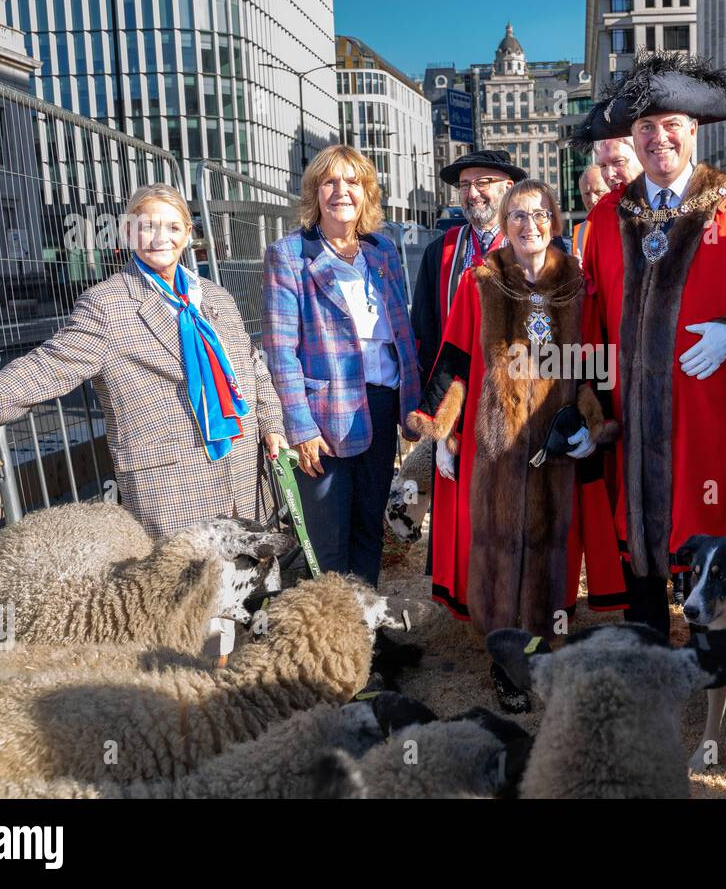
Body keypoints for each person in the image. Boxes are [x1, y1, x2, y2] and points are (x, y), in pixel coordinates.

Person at [0, 186, 287, 536]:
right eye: (148, 226)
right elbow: (53, 364)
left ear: (187, 235)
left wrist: (272, 424)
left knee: (251, 585)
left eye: (173, 227)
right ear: (128, 232)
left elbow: (252, 365)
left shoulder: (214, 296)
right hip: (173, 486)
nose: (160, 238)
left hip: (244, 473)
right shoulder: (108, 304)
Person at [573, 50, 726, 635]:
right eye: (645, 128)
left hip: (709, 415)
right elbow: (590, 319)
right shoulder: (609, 217)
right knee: (638, 531)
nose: (658, 138)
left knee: (711, 525)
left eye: (670, 126)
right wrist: (588, 403)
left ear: (693, 130)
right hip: (632, 420)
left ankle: (724, 646)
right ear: (630, 138)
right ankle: (647, 640)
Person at [407, 179, 619, 711]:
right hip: (495, 441)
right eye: (519, 216)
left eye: (541, 213)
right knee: (501, 542)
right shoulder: (482, 281)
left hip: (554, 438)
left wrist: (591, 425)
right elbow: (455, 360)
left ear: (556, 219)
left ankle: (545, 646)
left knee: (552, 545)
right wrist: (444, 434)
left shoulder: (576, 282)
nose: (531, 225)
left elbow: (594, 361)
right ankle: (505, 659)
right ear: (505, 225)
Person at [263, 145, 421, 587]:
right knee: (329, 540)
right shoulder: (290, 254)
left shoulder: (383, 252)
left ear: (366, 193)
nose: (341, 191)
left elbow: (401, 335)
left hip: (381, 403)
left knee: (370, 529)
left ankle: (364, 631)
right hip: (324, 416)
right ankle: (332, 641)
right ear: (315, 193)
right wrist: (301, 426)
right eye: (329, 182)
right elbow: (280, 349)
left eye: (352, 182)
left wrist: (411, 403)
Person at [410, 151, 527, 388]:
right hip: (458, 386)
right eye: (464, 185)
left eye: (482, 183)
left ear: (507, 187)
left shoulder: (535, 245)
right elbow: (425, 329)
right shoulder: (440, 252)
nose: (472, 194)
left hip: (520, 383)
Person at [571, 165, 610, 264]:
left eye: (599, 192)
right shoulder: (580, 233)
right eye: (587, 194)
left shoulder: (628, 226)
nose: (592, 200)